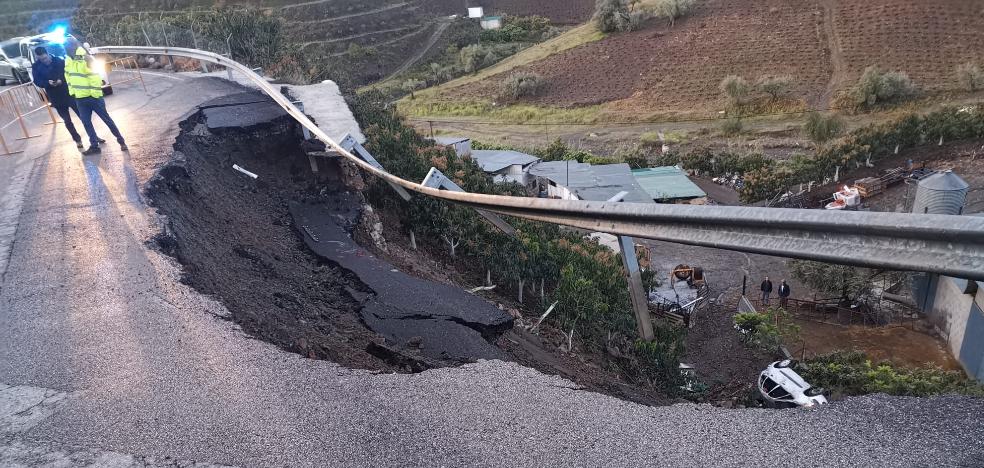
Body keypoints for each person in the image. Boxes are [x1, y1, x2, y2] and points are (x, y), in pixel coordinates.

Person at [64, 38, 127, 155]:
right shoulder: (68, 61)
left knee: (107, 120)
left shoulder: (86, 58)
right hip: (80, 99)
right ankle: (94, 146)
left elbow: (95, 77)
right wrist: (73, 93)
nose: (68, 48)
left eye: (70, 46)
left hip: (93, 98)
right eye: (66, 47)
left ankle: (121, 141)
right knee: (86, 123)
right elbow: (69, 78)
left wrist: (93, 94)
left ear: (75, 46)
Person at [32, 46, 98, 149]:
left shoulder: (59, 60)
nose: (44, 61)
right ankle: (77, 140)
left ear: (47, 53)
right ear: (37, 57)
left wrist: (61, 80)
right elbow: (37, 81)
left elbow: (68, 73)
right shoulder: (36, 66)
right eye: (41, 59)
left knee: (83, 117)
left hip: (68, 93)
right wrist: (47, 83)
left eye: (45, 58)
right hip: (55, 97)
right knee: (67, 121)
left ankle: (95, 137)